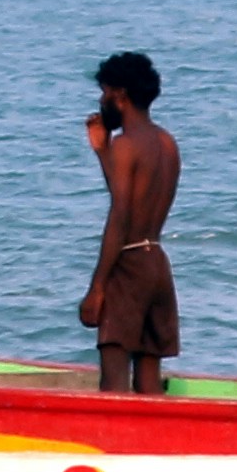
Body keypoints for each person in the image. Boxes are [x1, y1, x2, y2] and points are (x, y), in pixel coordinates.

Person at [77, 50, 180, 394]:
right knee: (149, 377)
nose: (102, 100)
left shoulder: (126, 145)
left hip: (130, 266)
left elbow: (120, 215)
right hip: (156, 262)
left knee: (115, 377)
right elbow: (135, 200)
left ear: (119, 95)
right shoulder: (166, 143)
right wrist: (103, 152)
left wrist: (99, 286)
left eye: (104, 92)